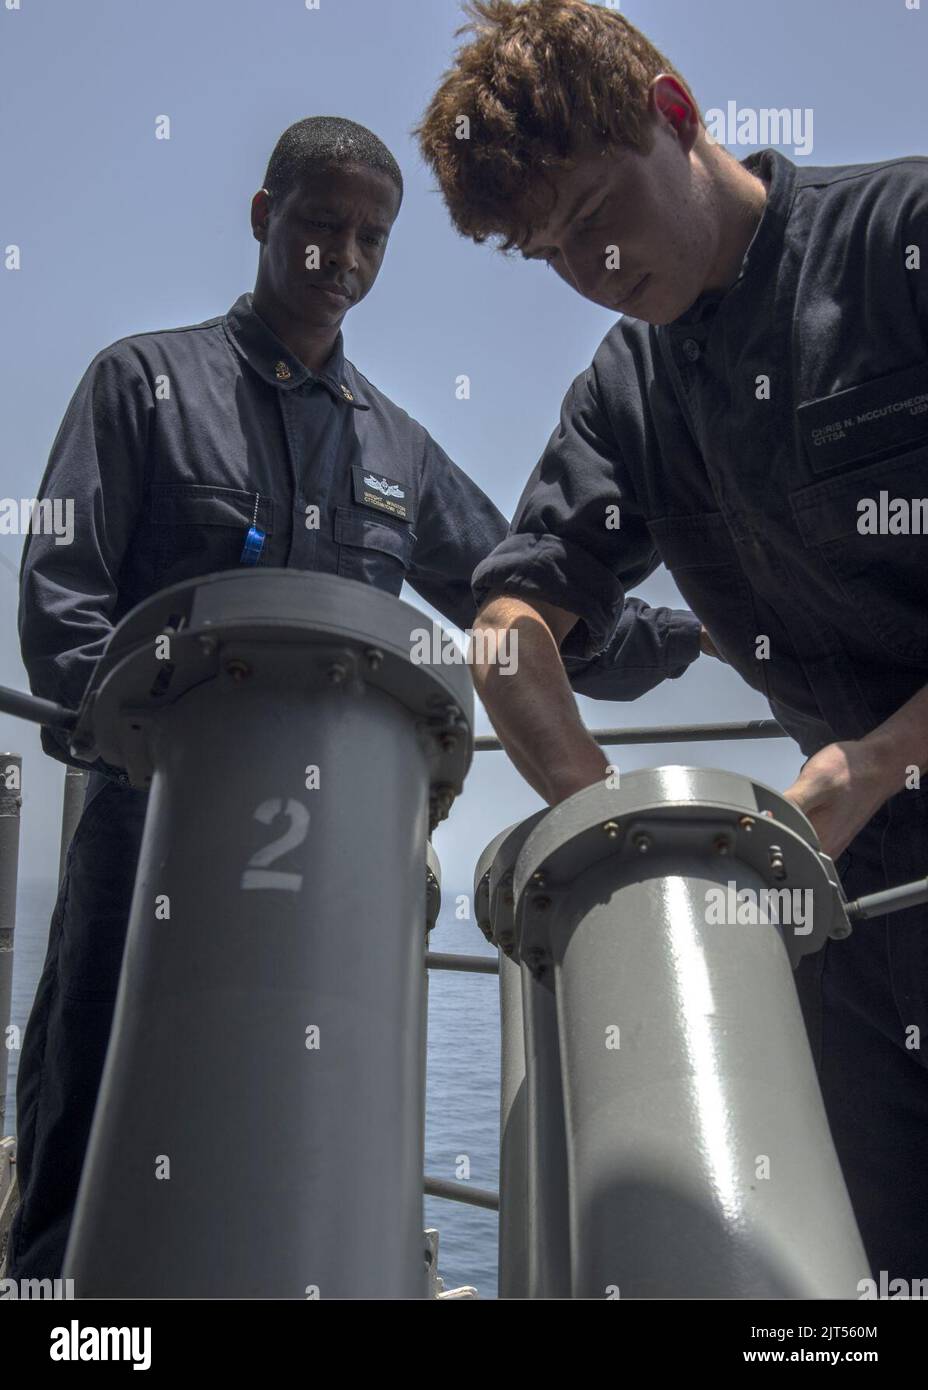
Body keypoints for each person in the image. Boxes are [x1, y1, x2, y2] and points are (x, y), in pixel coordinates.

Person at [7, 114, 704, 1280]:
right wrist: (137, 740)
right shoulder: (142, 384)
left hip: (334, 858)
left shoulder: (400, 450)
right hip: (148, 831)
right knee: (90, 1102)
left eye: (373, 235)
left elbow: (522, 603)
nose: (348, 254)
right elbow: (61, 601)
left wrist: (699, 632)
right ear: (263, 215)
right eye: (323, 222)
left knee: (291, 1118)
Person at [416, 0, 928, 1279]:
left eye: (594, 220)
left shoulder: (901, 241)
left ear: (675, 112)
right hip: (846, 903)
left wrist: (877, 763)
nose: (591, 271)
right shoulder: (624, 392)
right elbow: (507, 624)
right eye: (550, 256)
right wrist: (596, 812)